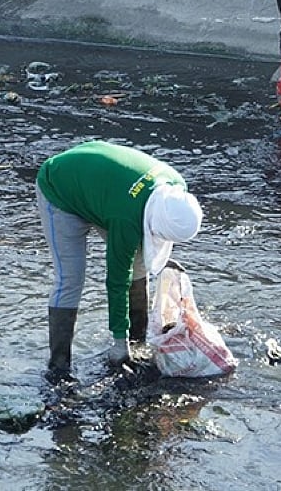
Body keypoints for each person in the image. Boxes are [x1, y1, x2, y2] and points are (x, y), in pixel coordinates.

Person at [36, 140, 204, 381]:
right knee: (70, 280)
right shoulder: (127, 220)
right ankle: (58, 367)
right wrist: (118, 340)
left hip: (103, 188)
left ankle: (138, 340)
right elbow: (117, 280)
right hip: (61, 188)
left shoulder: (176, 186)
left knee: (138, 264)